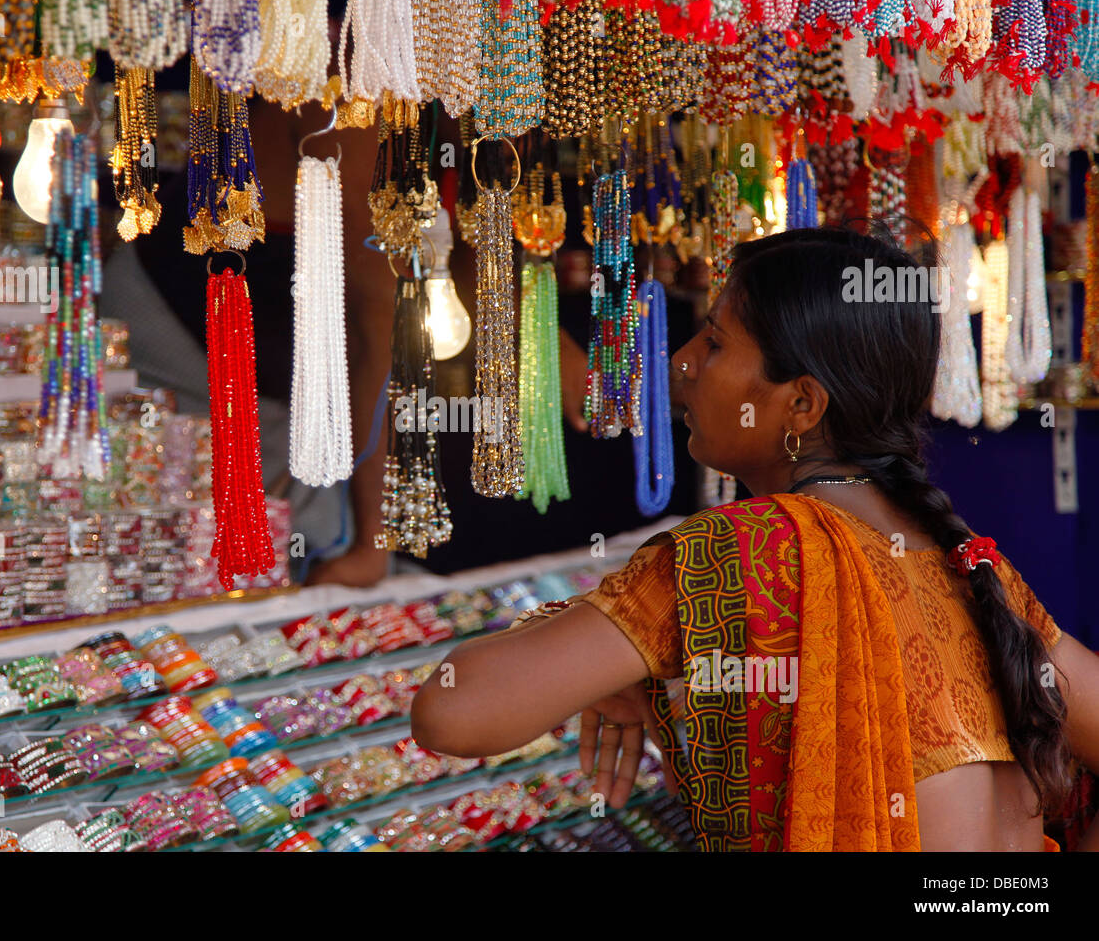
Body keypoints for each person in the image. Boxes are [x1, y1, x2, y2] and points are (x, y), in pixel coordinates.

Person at [411, 226, 1099, 851]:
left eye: (713, 342)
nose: (681, 361)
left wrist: (580, 641)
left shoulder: (745, 552)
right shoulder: (977, 570)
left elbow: (450, 712)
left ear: (801, 404)